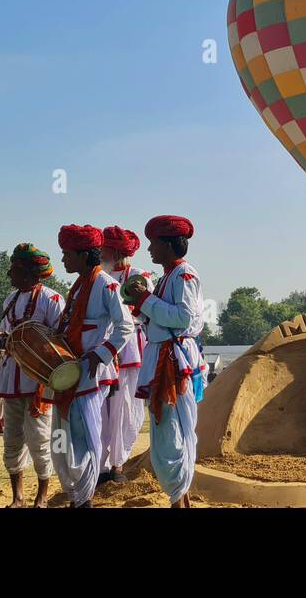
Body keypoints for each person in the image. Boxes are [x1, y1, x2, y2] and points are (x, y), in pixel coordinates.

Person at [48, 224, 131, 508]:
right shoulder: (79, 285)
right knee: (66, 437)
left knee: (86, 436)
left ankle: (84, 499)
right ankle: (76, 495)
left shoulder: (106, 284)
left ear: (84, 255)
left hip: (91, 374)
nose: (63, 261)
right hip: (71, 372)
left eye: (67, 254)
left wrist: (101, 354)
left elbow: (125, 326)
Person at [128, 215, 206, 508]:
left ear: (169, 244)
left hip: (173, 361)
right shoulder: (167, 277)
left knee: (173, 429)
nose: (150, 250)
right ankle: (179, 498)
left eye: (154, 244)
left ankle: (179, 500)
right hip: (161, 354)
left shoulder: (185, 275)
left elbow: (183, 319)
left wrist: (146, 300)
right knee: (166, 429)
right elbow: (162, 319)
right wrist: (143, 306)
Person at [0, 243, 64, 508]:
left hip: (39, 382)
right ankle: (17, 497)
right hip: (11, 378)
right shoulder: (9, 300)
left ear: (30, 273)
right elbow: (3, 335)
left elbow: (60, 340)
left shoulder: (52, 299)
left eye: (14, 270)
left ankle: (42, 496)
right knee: (11, 440)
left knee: (40, 440)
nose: (9, 275)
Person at [100, 225, 151, 485]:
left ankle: (117, 463)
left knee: (123, 407)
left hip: (129, 348)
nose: (100, 251)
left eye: (104, 247)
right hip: (100, 349)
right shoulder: (97, 275)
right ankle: (99, 465)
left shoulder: (139, 276)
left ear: (115, 250)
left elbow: (147, 312)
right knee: (100, 407)